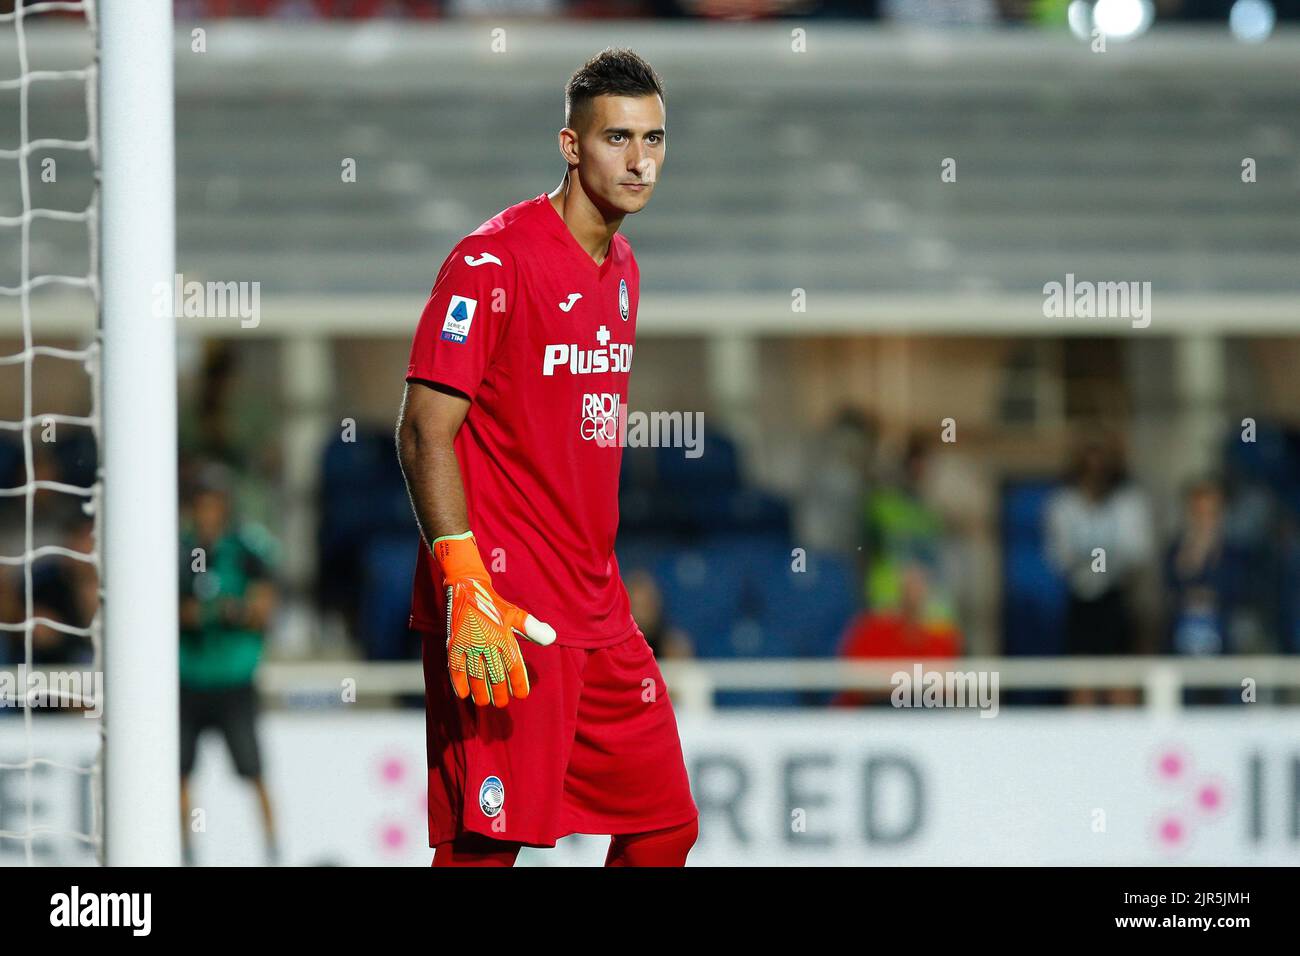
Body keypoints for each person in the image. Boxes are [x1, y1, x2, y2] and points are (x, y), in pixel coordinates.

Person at [396, 49, 698, 867]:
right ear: (571, 146)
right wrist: (463, 582)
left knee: (667, 823)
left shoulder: (626, 270)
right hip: (505, 605)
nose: (640, 161)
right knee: (488, 848)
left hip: (597, 609)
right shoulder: (490, 261)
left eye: (655, 139)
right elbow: (424, 429)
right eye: (617, 139)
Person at [178, 464, 279, 865]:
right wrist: (221, 612)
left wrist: (222, 612)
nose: (207, 512)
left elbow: (262, 610)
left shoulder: (247, 550)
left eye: (213, 504)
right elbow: (172, 612)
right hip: (189, 679)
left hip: (234, 680)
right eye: (200, 504)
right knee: (180, 774)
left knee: (254, 773)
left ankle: (273, 853)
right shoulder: (178, 551)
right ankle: (185, 854)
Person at [1045, 435, 1153, 706]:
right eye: (1089, 466)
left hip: (1117, 597)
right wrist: (1094, 559)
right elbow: (1059, 554)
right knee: (1081, 680)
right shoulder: (1064, 504)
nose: (1096, 474)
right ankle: (1081, 742)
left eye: (1101, 466)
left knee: (1121, 679)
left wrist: (1104, 561)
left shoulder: (1128, 502)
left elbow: (1139, 551)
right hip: (1081, 599)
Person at [833, 562, 961, 707]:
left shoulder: (943, 636)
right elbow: (856, 682)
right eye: (908, 587)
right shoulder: (870, 630)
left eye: (919, 586)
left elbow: (946, 686)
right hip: (870, 716)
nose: (913, 594)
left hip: (924, 715)